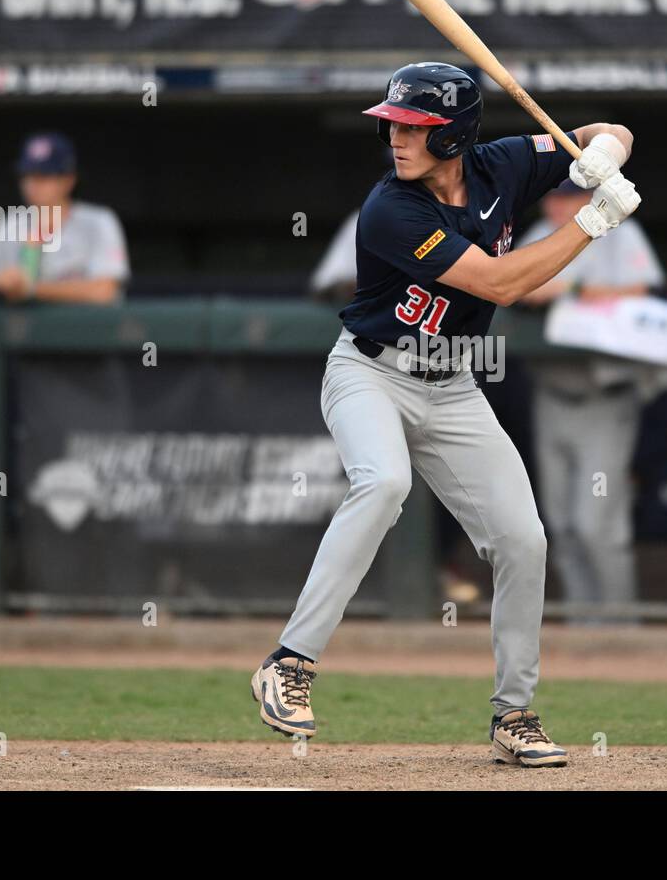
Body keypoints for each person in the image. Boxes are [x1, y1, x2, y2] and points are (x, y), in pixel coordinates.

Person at [250, 61, 640, 768]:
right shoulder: (390, 208)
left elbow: (607, 130)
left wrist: (601, 158)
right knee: (384, 484)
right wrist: (595, 218)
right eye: (392, 124)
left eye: (415, 127)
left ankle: (513, 713)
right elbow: (503, 281)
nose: (395, 137)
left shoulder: (507, 165)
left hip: (452, 386)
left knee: (524, 539)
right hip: (370, 371)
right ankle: (290, 662)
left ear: (455, 137)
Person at [516, 179, 665, 618]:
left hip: (605, 395)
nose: (556, 205)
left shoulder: (620, 231)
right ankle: (586, 631)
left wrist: (573, 291)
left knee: (595, 524)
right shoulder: (538, 235)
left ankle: (620, 631)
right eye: (553, 196)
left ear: (589, 198)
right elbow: (508, 283)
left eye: (567, 197)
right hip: (551, 394)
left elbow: (644, 291)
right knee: (559, 525)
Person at [0, 133, 129, 304]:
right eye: (27, 176)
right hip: (26, 328)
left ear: (69, 180)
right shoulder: (11, 224)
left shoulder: (99, 222)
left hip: (85, 328)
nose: (32, 185)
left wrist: (32, 289)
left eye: (43, 176)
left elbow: (105, 291)